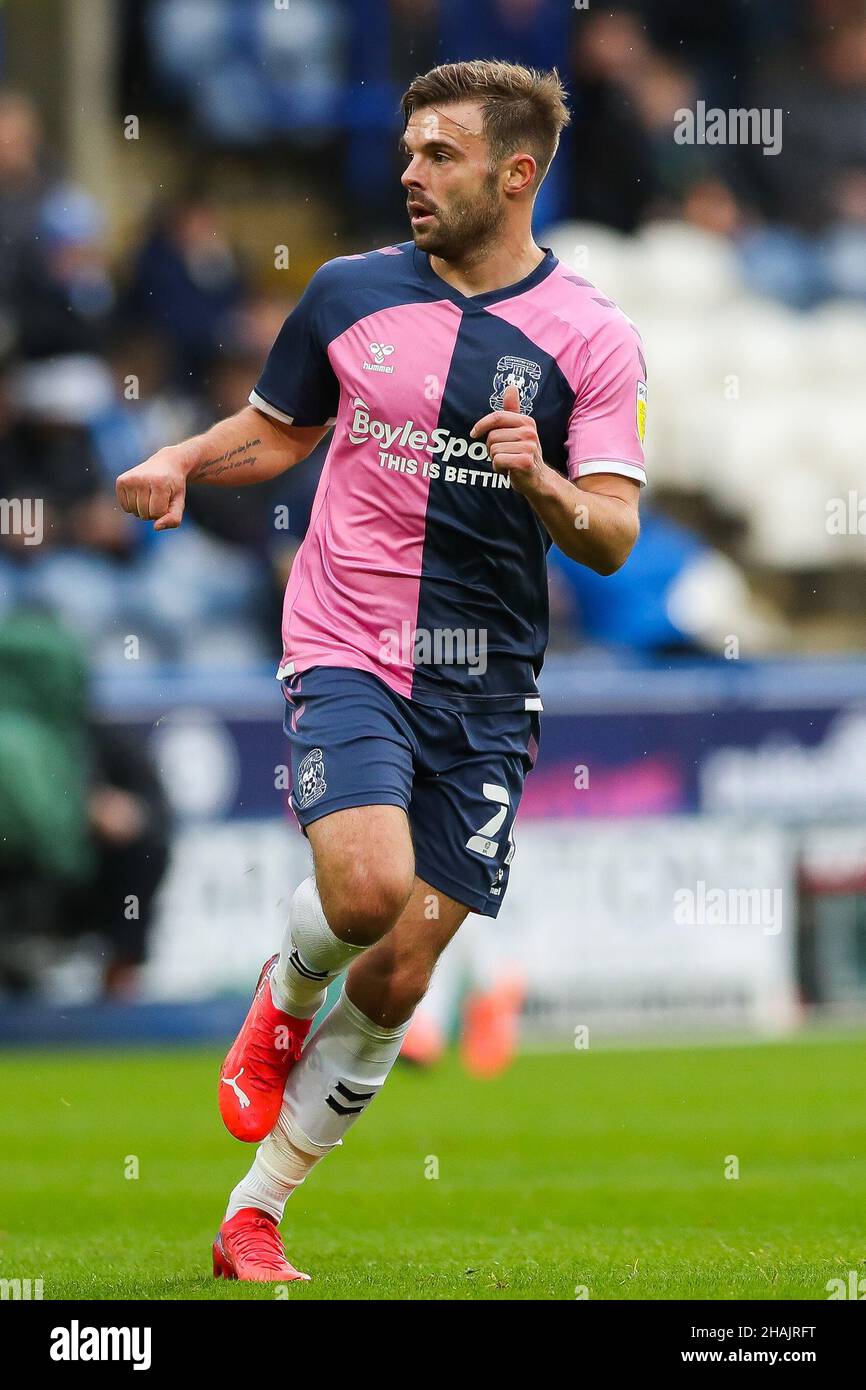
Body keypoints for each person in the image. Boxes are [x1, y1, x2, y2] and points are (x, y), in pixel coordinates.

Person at [115, 59, 646, 1283]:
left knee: (404, 965)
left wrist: (541, 479)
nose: (409, 173)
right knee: (363, 893)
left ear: (515, 175)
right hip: (347, 638)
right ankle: (285, 990)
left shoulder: (590, 337)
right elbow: (284, 426)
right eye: (407, 151)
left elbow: (610, 534)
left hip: (487, 676)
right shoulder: (350, 291)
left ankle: (253, 1215)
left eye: (439, 155)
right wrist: (185, 458)